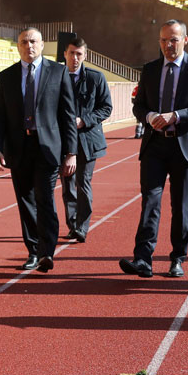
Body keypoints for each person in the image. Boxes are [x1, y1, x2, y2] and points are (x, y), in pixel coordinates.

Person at [120, 19, 188, 279]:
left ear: (185, 40)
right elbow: (139, 105)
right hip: (154, 145)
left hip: (184, 146)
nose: (169, 45)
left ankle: (177, 258)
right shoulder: (151, 69)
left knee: (180, 205)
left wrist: (175, 116)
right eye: (164, 40)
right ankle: (143, 259)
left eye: (174, 40)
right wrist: (150, 116)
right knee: (150, 202)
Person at [0, 27, 77, 273]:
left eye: (34, 42)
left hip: (47, 147)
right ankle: (33, 250)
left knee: (45, 199)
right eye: (24, 42)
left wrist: (71, 152)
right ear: (18, 46)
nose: (29, 46)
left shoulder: (58, 72)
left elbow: (68, 115)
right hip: (18, 148)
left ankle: (46, 252)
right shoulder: (6, 76)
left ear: (42, 45)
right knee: (25, 201)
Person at [60, 37, 112, 244]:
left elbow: (106, 108)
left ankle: (82, 227)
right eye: (71, 53)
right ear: (65, 54)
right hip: (63, 141)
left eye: (79, 54)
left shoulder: (96, 78)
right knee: (67, 185)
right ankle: (72, 224)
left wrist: (84, 120)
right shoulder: (55, 76)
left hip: (87, 140)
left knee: (83, 183)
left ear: (85, 55)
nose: (75, 58)